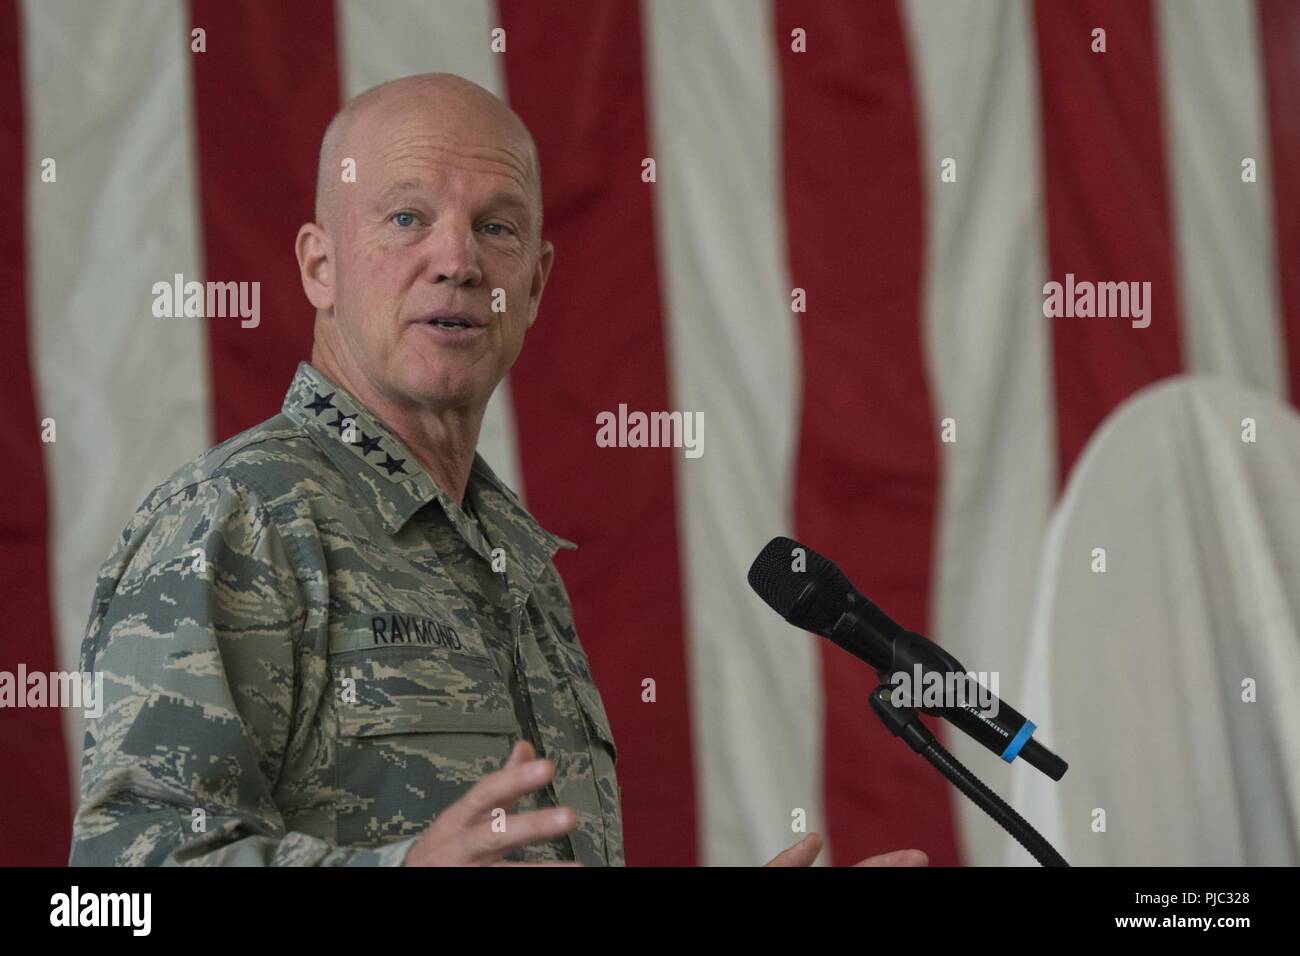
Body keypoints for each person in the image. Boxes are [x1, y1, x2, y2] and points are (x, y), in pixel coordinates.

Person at [69, 72, 927, 868]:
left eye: (496, 226)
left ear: (537, 282)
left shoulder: (512, 559)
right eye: (406, 218)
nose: (458, 260)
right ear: (318, 266)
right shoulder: (238, 517)